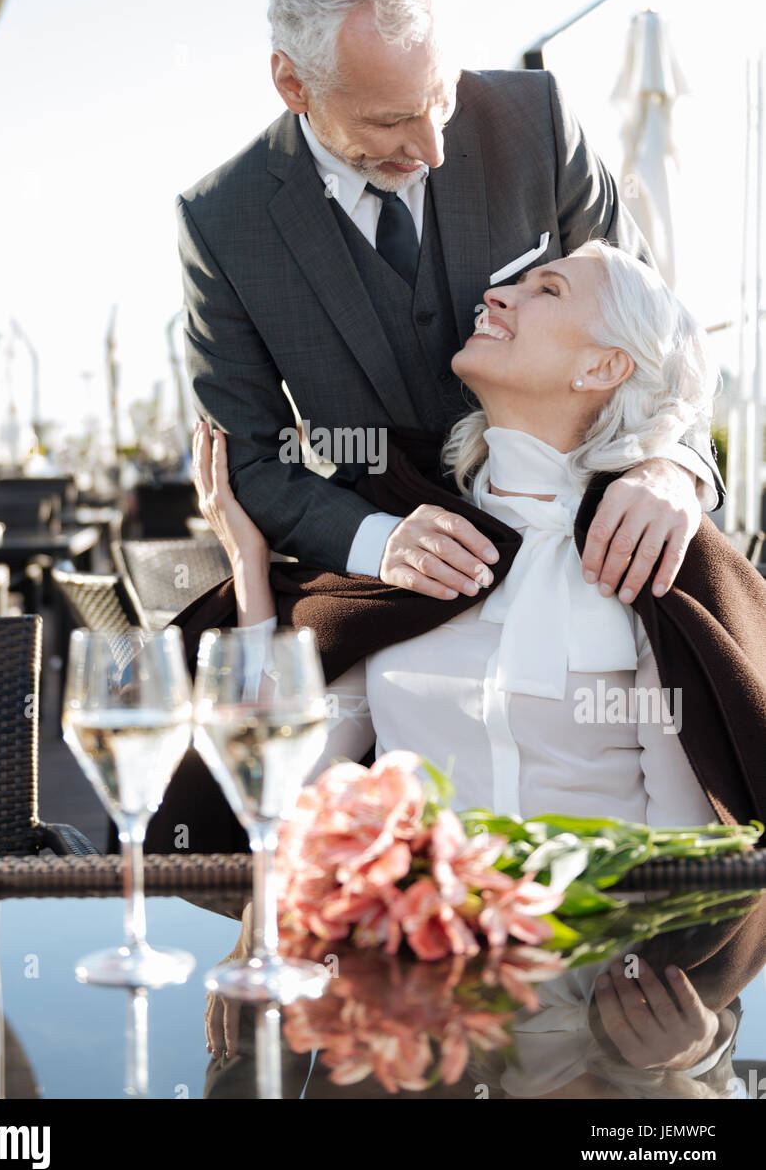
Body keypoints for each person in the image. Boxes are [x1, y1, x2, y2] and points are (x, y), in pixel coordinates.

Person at [177, 0, 723, 619]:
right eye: (389, 120)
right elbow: (249, 460)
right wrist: (379, 543)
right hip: (392, 589)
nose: (432, 148)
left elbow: (662, 335)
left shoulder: (539, 122)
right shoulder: (223, 221)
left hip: (594, 552)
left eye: (443, 99)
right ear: (293, 84)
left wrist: (672, 466)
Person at [189, 241, 723, 824]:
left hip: (597, 913)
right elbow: (277, 788)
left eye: (547, 289)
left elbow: (686, 851)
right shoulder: (417, 545)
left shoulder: (648, 559)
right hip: (415, 912)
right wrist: (247, 561)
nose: (493, 295)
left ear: (602, 367)